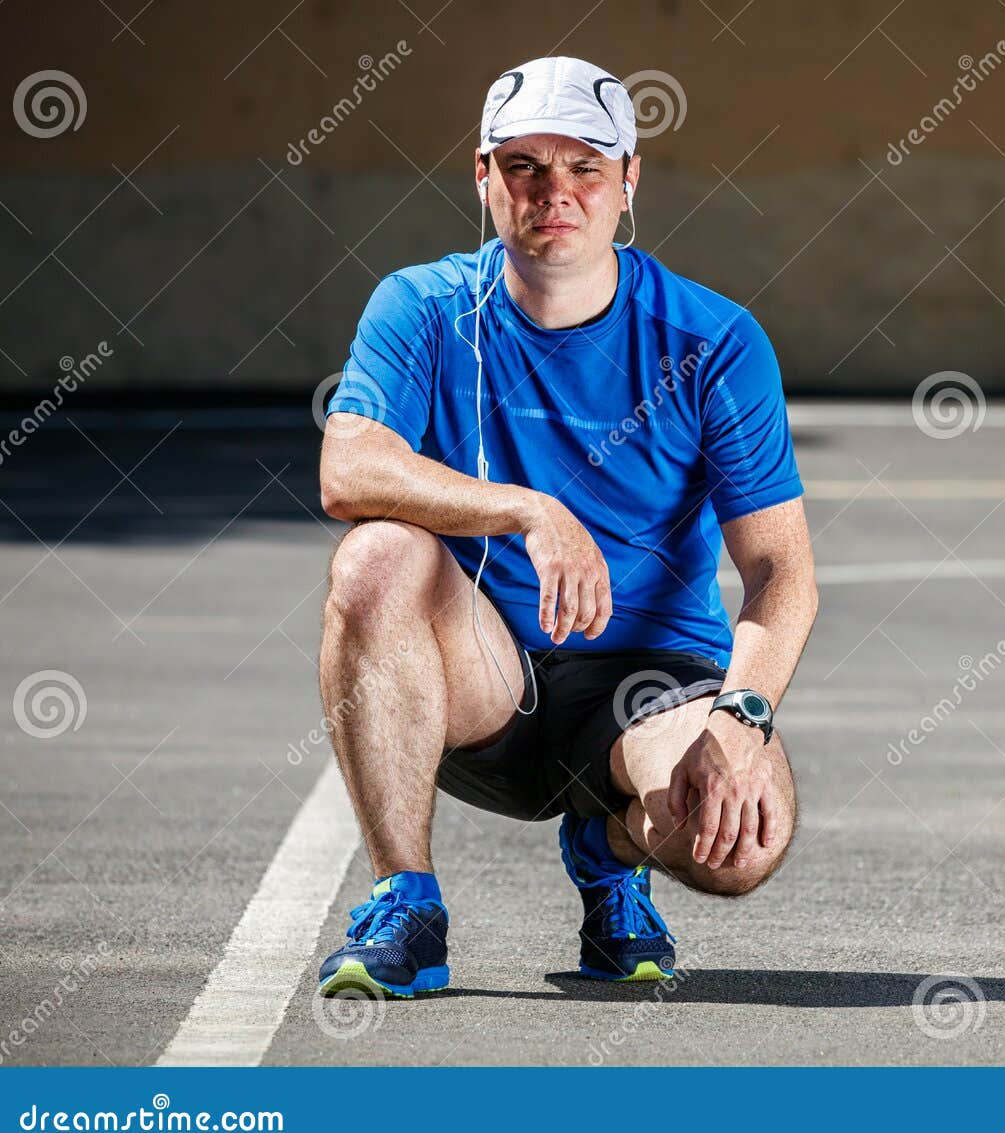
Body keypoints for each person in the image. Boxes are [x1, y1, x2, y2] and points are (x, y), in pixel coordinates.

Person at [313, 55, 817, 997]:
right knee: (376, 554)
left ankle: (607, 841)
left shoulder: (714, 342)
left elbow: (782, 572)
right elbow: (348, 468)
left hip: (647, 683)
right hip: (485, 676)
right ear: (483, 178)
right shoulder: (423, 307)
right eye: (525, 168)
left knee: (745, 840)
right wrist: (528, 509)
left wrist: (741, 720)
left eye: (585, 168)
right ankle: (407, 903)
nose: (556, 194)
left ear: (629, 181)